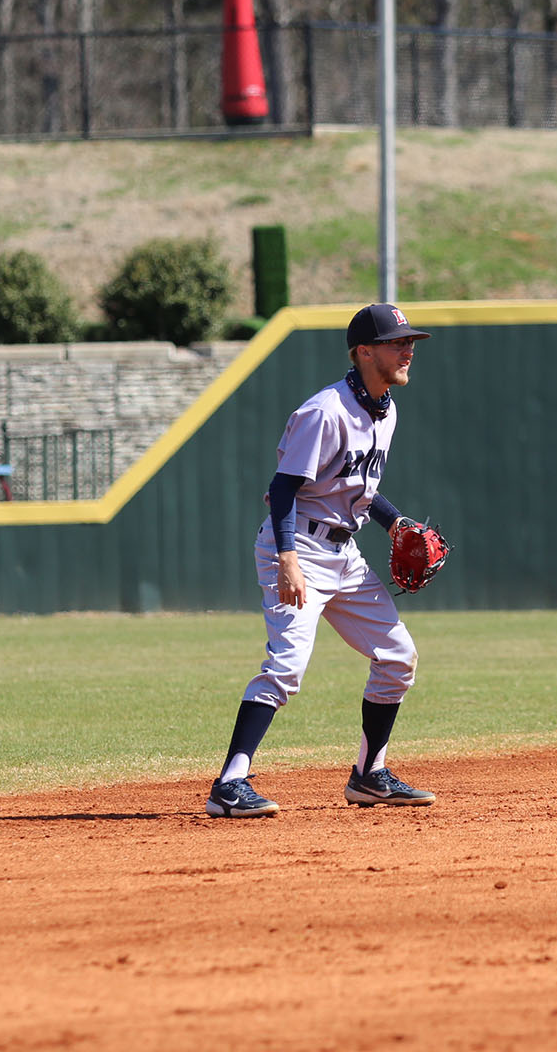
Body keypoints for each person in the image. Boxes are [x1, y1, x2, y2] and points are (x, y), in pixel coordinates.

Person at [205, 303, 436, 818]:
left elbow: (358, 487)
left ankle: (369, 775)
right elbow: (283, 489)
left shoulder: (385, 410)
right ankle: (229, 783)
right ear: (365, 352)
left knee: (398, 658)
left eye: (410, 342)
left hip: (344, 553)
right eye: (398, 343)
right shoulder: (326, 411)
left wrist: (395, 523)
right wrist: (287, 559)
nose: (408, 350)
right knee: (285, 668)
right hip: (298, 547)